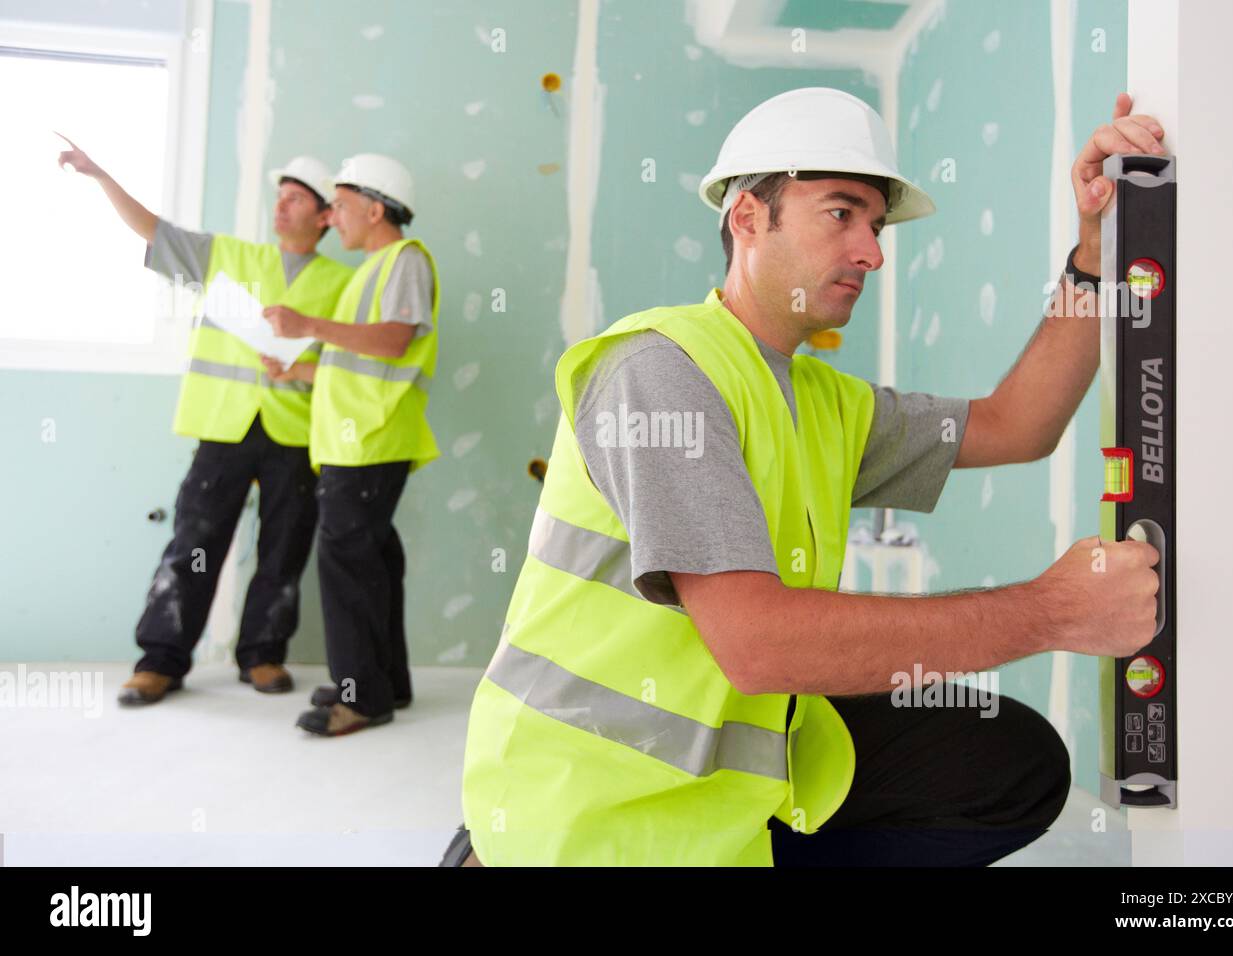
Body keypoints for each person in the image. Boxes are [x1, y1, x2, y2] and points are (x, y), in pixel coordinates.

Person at [456, 88, 1165, 866]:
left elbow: (1017, 425)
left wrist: (1094, 260)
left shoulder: (825, 402)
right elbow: (757, 645)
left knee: (1011, 764)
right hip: (586, 816)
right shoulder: (660, 372)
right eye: (841, 213)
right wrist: (1052, 612)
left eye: (876, 226)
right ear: (747, 217)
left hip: (728, 770)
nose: (872, 253)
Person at [57, 137, 355, 705]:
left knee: (285, 547)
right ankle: (160, 660)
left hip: (296, 434)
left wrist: (302, 368)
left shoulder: (344, 285)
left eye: (296, 198)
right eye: (280, 195)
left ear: (324, 217)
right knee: (194, 541)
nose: (281, 205)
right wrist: (100, 175)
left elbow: (350, 367)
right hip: (223, 427)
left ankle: (263, 654)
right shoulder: (230, 258)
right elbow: (154, 230)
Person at [262, 154, 439, 737]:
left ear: (375, 208)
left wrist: (309, 327)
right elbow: (355, 361)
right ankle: (382, 682)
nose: (331, 217)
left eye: (339, 206)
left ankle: (359, 697)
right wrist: (297, 371)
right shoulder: (372, 270)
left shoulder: (405, 260)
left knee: (347, 569)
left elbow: (393, 342)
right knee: (371, 564)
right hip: (359, 441)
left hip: (369, 441)